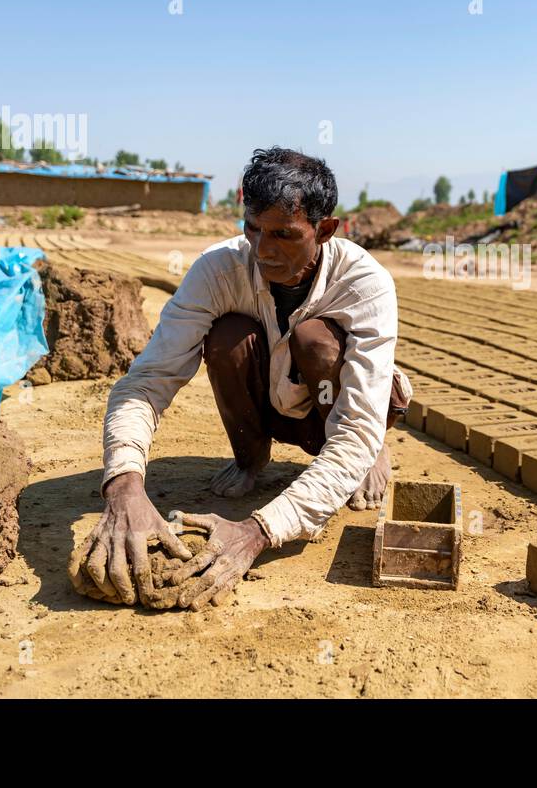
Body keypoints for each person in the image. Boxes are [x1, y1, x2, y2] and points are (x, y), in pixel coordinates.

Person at [69, 147, 410, 610]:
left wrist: (256, 533)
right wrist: (124, 485)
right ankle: (251, 457)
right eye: (253, 228)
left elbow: (352, 430)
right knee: (228, 336)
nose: (263, 249)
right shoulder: (218, 269)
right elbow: (146, 381)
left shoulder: (365, 282)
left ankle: (372, 448)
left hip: (335, 401)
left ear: (325, 230)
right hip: (271, 399)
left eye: (283, 234)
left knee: (316, 340)